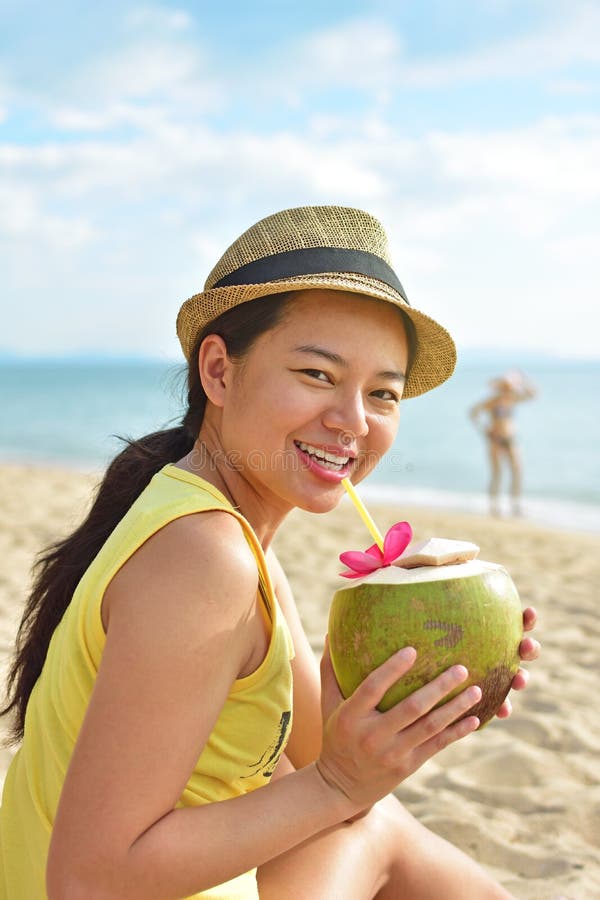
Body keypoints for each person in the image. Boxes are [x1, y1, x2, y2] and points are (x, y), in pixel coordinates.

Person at [0, 206, 540, 899]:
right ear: (219, 372)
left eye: (383, 393)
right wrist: (338, 782)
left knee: (370, 821)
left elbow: (328, 766)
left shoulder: (223, 534)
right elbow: (87, 882)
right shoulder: (202, 559)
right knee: (374, 830)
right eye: (317, 374)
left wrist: (416, 698)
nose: (353, 421)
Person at [469, 370, 537, 517]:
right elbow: (473, 412)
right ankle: (494, 507)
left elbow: (532, 394)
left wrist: (523, 380)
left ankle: (515, 506)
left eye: (509, 387)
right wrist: (484, 430)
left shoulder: (511, 399)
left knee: (517, 472)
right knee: (497, 473)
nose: (508, 389)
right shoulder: (492, 401)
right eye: (506, 387)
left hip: (511, 438)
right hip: (496, 439)